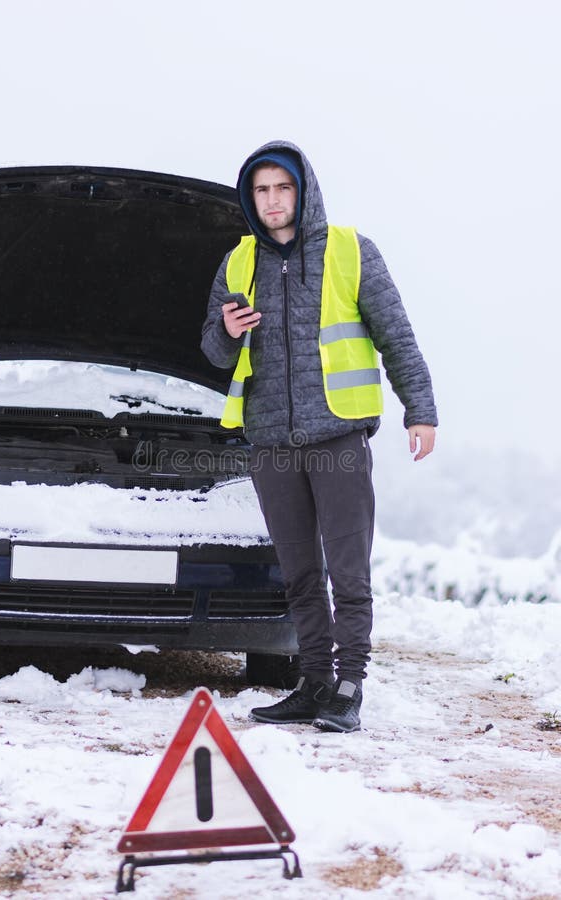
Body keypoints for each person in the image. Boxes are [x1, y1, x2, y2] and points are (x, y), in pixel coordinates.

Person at [201, 140, 437, 733]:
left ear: (302, 191)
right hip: (271, 440)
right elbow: (211, 348)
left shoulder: (352, 251)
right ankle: (313, 683)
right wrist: (227, 331)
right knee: (299, 571)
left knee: (348, 570)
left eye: (283, 187)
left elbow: (397, 337)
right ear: (249, 198)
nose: (273, 199)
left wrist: (421, 410)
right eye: (262, 190)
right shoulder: (237, 262)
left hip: (337, 437)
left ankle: (349, 685)